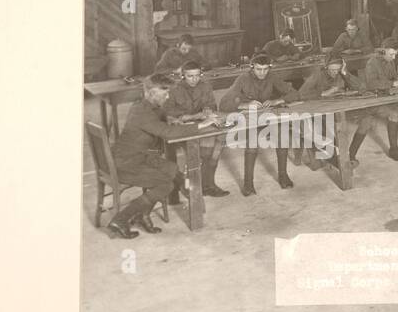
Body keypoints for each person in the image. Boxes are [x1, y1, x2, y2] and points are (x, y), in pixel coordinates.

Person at [106, 74, 212, 239]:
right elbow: (167, 132)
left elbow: (161, 118)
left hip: (136, 156)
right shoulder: (142, 112)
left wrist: (169, 118)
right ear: (150, 93)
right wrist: (201, 125)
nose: (168, 97)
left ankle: (143, 215)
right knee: (166, 184)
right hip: (125, 164)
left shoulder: (144, 106)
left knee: (172, 168)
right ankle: (121, 219)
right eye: (164, 93)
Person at [218, 54, 299, 196]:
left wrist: (278, 100)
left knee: (282, 135)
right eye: (258, 69)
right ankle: (248, 184)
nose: (262, 73)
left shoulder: (272, 77)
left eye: (265, 69)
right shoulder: (243, 79)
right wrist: (245, 105)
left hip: (268, 117)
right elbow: (223, 104)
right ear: (252, 67)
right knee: (252, 142)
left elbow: (295, 94)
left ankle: (283, 176)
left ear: (269, 68)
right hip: (250, 120)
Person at [165, 61, 229, 198]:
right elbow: (170, 116)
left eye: (197, 75)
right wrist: (196, 116)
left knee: (219, 143)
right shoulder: (174, 90)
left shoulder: (205, 86)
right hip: (181, 130)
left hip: (202, 125)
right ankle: (191, 186)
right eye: (190, 76)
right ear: (183, 76)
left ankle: (209, 184)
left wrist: (207, 110)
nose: (194, 79)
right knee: (208, 147)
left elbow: (212, 104)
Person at [297, 55, 373, 171]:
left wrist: (345, 73)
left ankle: (350, 155)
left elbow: (362, 87)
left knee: (367, 119)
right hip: (322, 111)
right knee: (335, 131)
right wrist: (323, 93)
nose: (334, 72)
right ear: (326, 67)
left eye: (337, 69)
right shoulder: (318, 75)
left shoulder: (341, 73)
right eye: (332, 70)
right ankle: (338, 159)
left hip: (340, 108)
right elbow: (301, 94)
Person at [362, 44, 398, 160]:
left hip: (391, 96)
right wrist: (393, 84)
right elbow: (371, 84)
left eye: (395, 54)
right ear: (383, 52)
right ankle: (393, 149)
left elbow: (393, 78)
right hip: (377, 98)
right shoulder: (371, 63)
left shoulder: (390, 62)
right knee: (394, 113)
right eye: (391, 54)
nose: (394, 58)